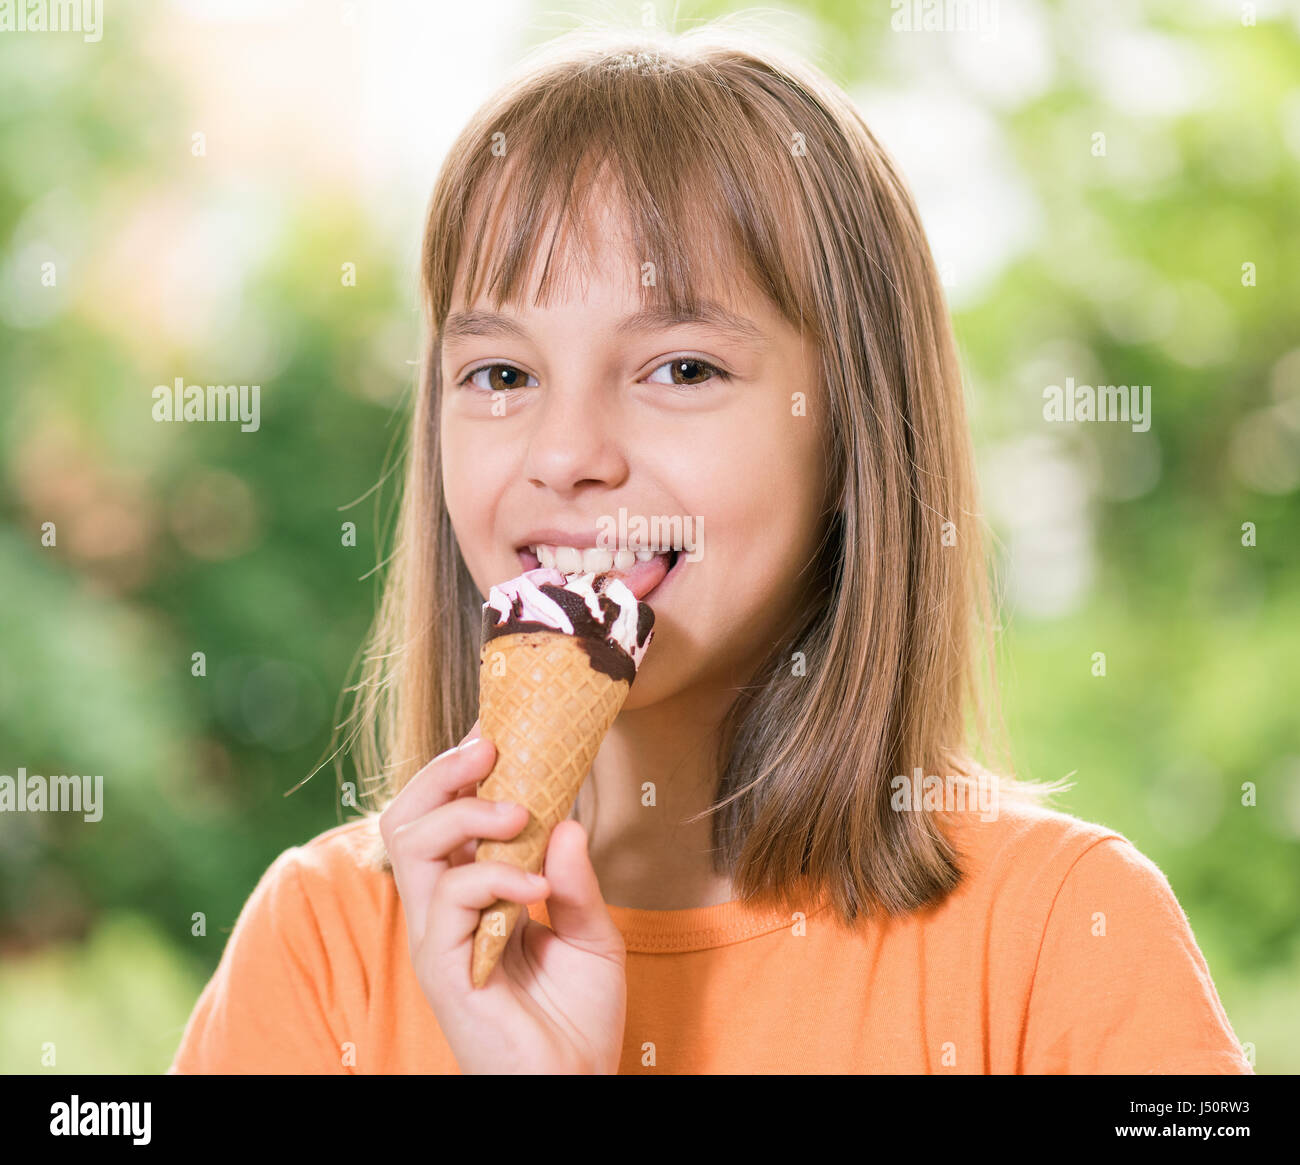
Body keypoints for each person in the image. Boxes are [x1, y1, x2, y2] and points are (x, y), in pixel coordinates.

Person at [169, 21, 1250, 1075]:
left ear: (854, 435)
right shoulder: (324, 947)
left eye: (680, 368)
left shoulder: (1062, 936)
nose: (567, 453)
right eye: (501, 374)